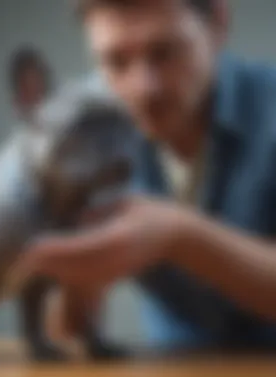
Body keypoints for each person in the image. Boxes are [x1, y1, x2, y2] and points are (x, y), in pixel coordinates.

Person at [21, 0, 276, 351]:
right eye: (115, 61)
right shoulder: (82, 129)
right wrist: (77, 279)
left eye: (165, 52)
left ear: (218, 23)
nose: (144, 88)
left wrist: (179, 236)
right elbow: (64, 333)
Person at [9, 46, 53, 123]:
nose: (33, 96)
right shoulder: (19, 134)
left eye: (36, 86)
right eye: (27, 89)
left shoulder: (68, 118)